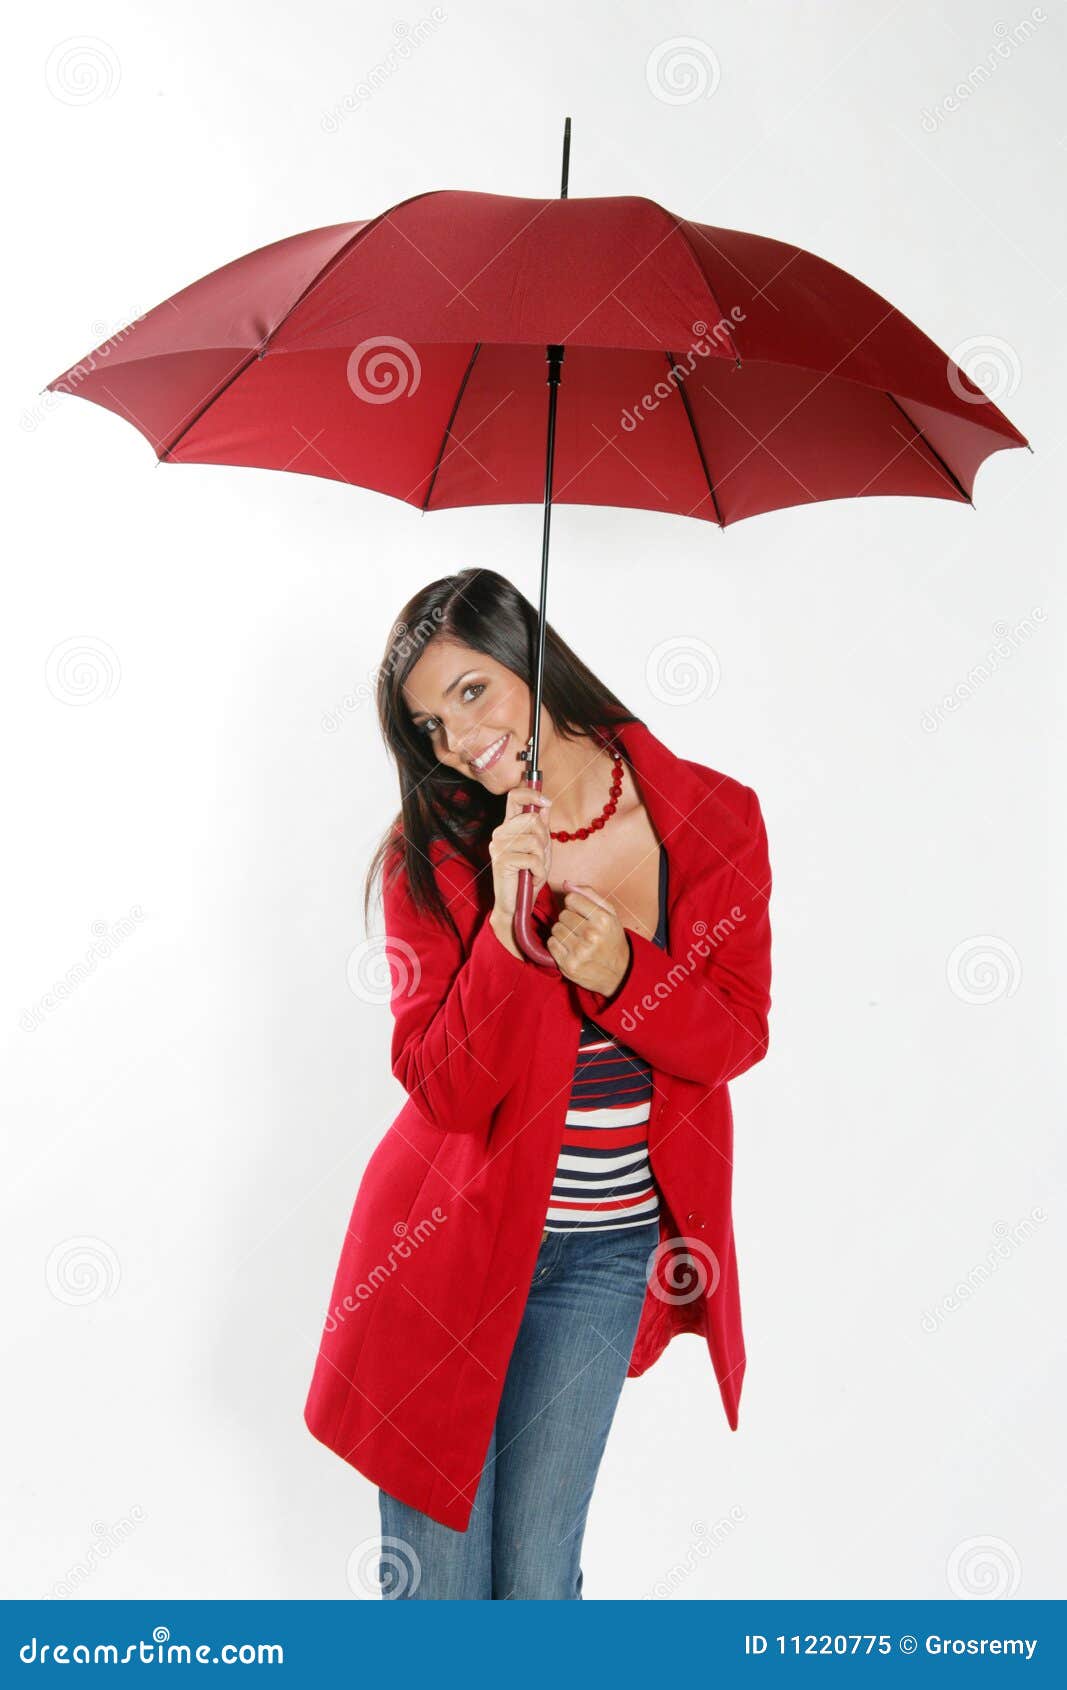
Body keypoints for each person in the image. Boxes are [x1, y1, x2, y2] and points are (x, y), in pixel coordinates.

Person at [303, 567, 773, 1599]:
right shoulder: (431, 854)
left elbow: (736, 1032)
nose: (456, 739)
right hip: (445, 1250)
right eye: (429, 723)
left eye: (471, 690)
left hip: (604, 1257)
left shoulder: (714, 817)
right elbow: (445, 1092)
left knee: (537, 1576)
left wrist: (621, 974)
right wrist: (506, 937)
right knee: (439, 1589)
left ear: (529, 653)